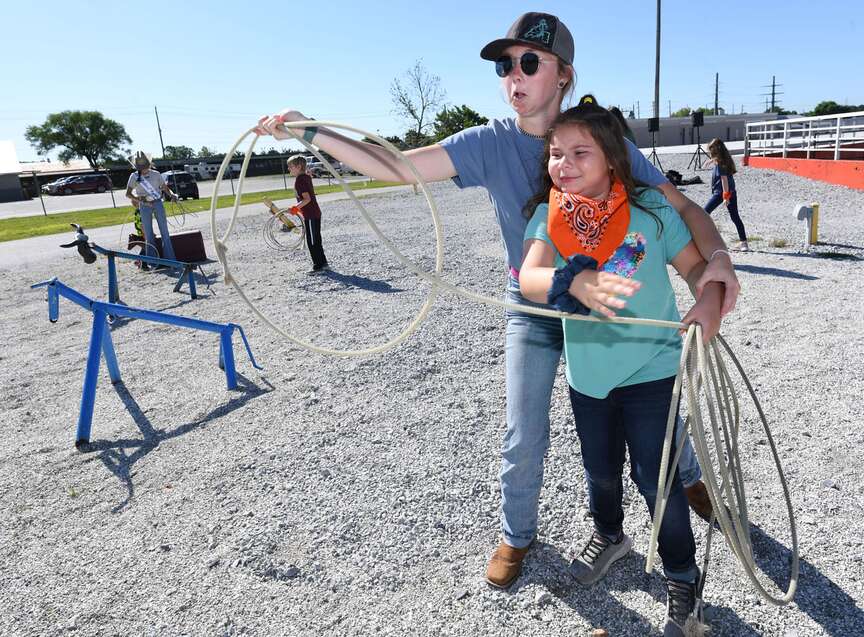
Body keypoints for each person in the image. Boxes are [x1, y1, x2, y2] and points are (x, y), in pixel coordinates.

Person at [257, 11, 739, 590]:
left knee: (648, 391)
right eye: (505, 65)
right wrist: (310, 131)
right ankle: (517, 533)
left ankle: (683, 479)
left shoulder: (598, 138)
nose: (514, 74)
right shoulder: (486, 142)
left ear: (563, 74)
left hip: (611, 299)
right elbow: (398, 166)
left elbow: (681, 212)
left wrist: (714, 266)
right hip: (535, 301)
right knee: (524, 425)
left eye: (529, 62)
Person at [518, 97, 721, 635]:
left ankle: (682, 577)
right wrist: (572, 280)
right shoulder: (549, 216)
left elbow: (698, 269)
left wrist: (709, 297)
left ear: (612, 156)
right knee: (600, 472)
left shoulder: (652, 213)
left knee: (656, 481)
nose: (564, 163)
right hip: (588, 375)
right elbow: (529, 278)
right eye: (556, 153)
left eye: (580, 151)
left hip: (653, 372)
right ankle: (610, 534)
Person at [125, 151, 178, 263]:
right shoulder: (134, 176)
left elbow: (164, 187)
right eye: (141, 167)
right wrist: (140, 200)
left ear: (149, 164)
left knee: (165, 232)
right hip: (144, 205)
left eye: (144, 166)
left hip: (158, 202)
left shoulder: (156, 174)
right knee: (148, 234)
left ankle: (170, 259)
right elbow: (128, 194)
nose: (143, 169)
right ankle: (152, 261)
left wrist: (172, 195)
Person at [705, 138, 749, 251]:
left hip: (721, 193)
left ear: (716, 151)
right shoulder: (725, 159)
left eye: (711, 151)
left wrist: (725, 197)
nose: (710, 153)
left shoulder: (720, 163)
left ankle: (706, 241)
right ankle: (744, 243)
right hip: (732, 192)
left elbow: (724, 180)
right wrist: (711, 161)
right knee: (735, 217)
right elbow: (719, 164)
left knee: (704, 213)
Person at [287, 155, 329, 273]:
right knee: (316, 239)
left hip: (311, 215)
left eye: (290, 166)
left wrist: (295, 208)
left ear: (299, 166)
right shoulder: (306, 177)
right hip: (314, 213)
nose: (289, 169)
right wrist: (299, 209)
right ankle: (323, 263)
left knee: (312, 241)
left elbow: (307, 199)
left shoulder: (300, 180)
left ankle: (318, 266)